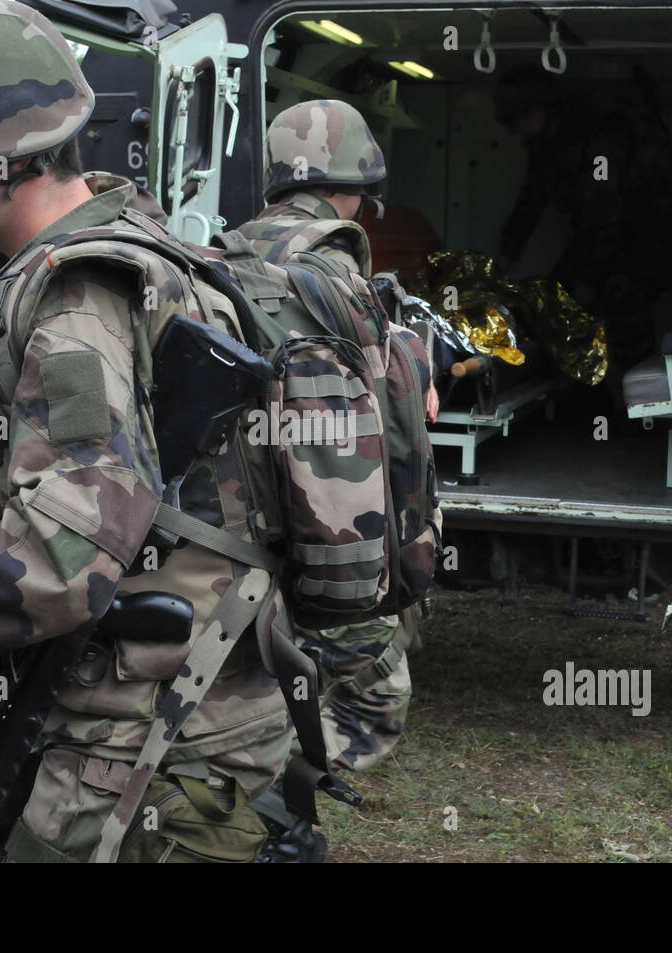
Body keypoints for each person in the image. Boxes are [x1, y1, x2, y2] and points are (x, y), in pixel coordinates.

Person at [0, 0, 292, 863]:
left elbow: (62, 559)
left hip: (147, 757)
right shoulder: (111, 243)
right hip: (141, 728)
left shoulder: (78, 299)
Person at [237, 99, 422, 861]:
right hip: (331, 540)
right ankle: (276, 811)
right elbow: (402, 446)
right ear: (358, 189)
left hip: (233, 547)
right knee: (371, 694)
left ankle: (265, 805)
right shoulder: (344, 284)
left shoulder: (212, 259)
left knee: (246, 687)